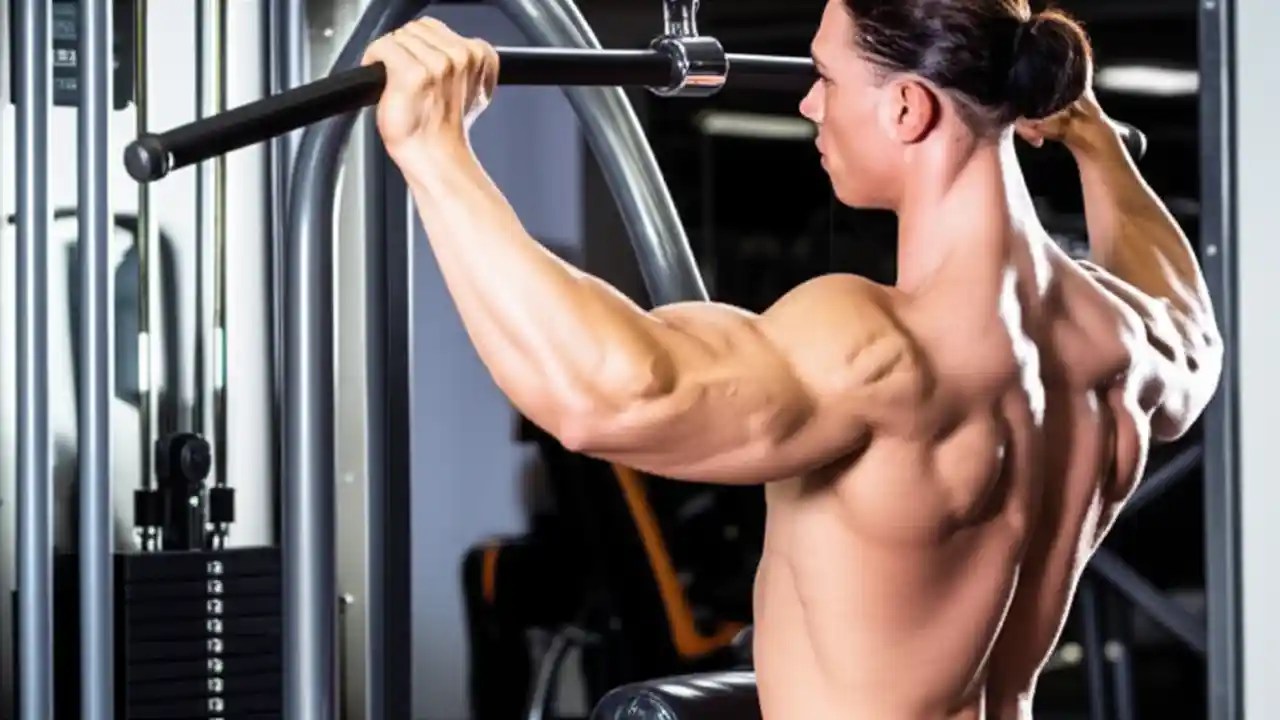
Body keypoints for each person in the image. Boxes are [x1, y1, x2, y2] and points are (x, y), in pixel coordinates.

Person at [361, 0, 1222, 716]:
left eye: (826, 77)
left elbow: (610, 396)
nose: (809, 103)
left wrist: (435, 151)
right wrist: (1096, 145)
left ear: (908, 110)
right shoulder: (1125, 343)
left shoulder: (879, 349)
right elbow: (1193, 322)